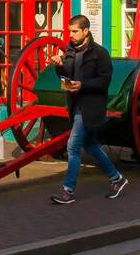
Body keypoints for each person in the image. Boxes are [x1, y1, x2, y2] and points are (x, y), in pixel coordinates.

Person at [48, 14, 127, 204]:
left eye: (75, 31)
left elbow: (104, 81)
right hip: (75, 104)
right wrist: (59, 67)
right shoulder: (70, 51)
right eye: (70, 31)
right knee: (91, 146)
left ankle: (68, 191)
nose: (71, 35)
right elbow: (66, 74)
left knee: (72, 147)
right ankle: (117, 178)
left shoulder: (100, 54)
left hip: (90, 107)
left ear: (86, 31)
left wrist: (82, 85)